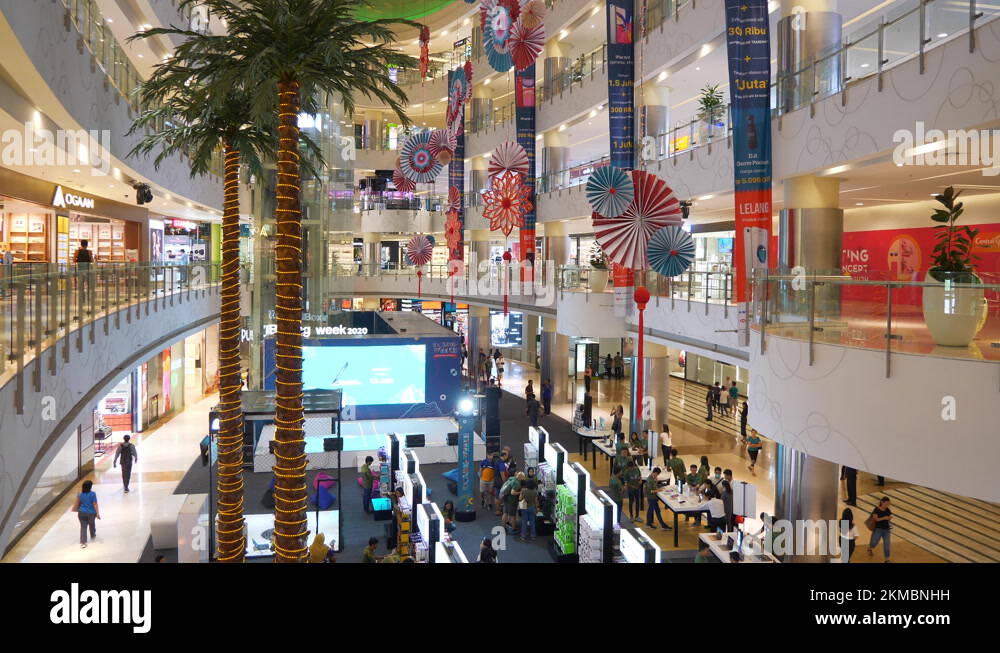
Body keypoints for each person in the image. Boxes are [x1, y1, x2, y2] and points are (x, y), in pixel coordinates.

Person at [72, 480, 100, 548]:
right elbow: (95, 504)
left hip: (81, 513)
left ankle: (83, 542)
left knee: (83, 527)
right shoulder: (93, 494)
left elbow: (78, 503)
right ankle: (93, 535)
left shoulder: (79, 494)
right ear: (90, 487)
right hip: (91, 513)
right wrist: (97, 513)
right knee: (92, 524)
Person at [867, 497, 892, 562]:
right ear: (882, 502)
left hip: (887, 529)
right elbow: (876, 519)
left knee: (887, 544)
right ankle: (870, 547)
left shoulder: (887, 509)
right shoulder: (876, 509)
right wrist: (884, 518)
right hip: (878, 529)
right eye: (886, 504)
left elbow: (889, 516)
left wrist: (889, 518)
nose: (887, 505)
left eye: (888, 504)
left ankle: (887, 559)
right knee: (874, 542)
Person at [518, 474, 539, 541]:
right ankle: (533, 536)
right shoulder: (535, 491)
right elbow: (536, 501)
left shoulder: (524, 491)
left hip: (524, 507)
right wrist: (537, 508)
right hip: (532, 507)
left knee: (524, 522)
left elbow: (520, 499)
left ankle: (523, 536)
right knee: (532, 522)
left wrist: (521, 494)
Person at [622, 458, 642, 522]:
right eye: (630, 468)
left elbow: (640, 476)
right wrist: (632, 486)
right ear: (628, 467)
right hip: (631, 489)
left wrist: (640, 480)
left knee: (637, 502)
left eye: (632, 467)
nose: (631, 469)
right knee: (631, 502)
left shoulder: (637, 469)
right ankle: (631, 516)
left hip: (637, 488)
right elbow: (626, 482)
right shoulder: (626, 472)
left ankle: (637, 516)